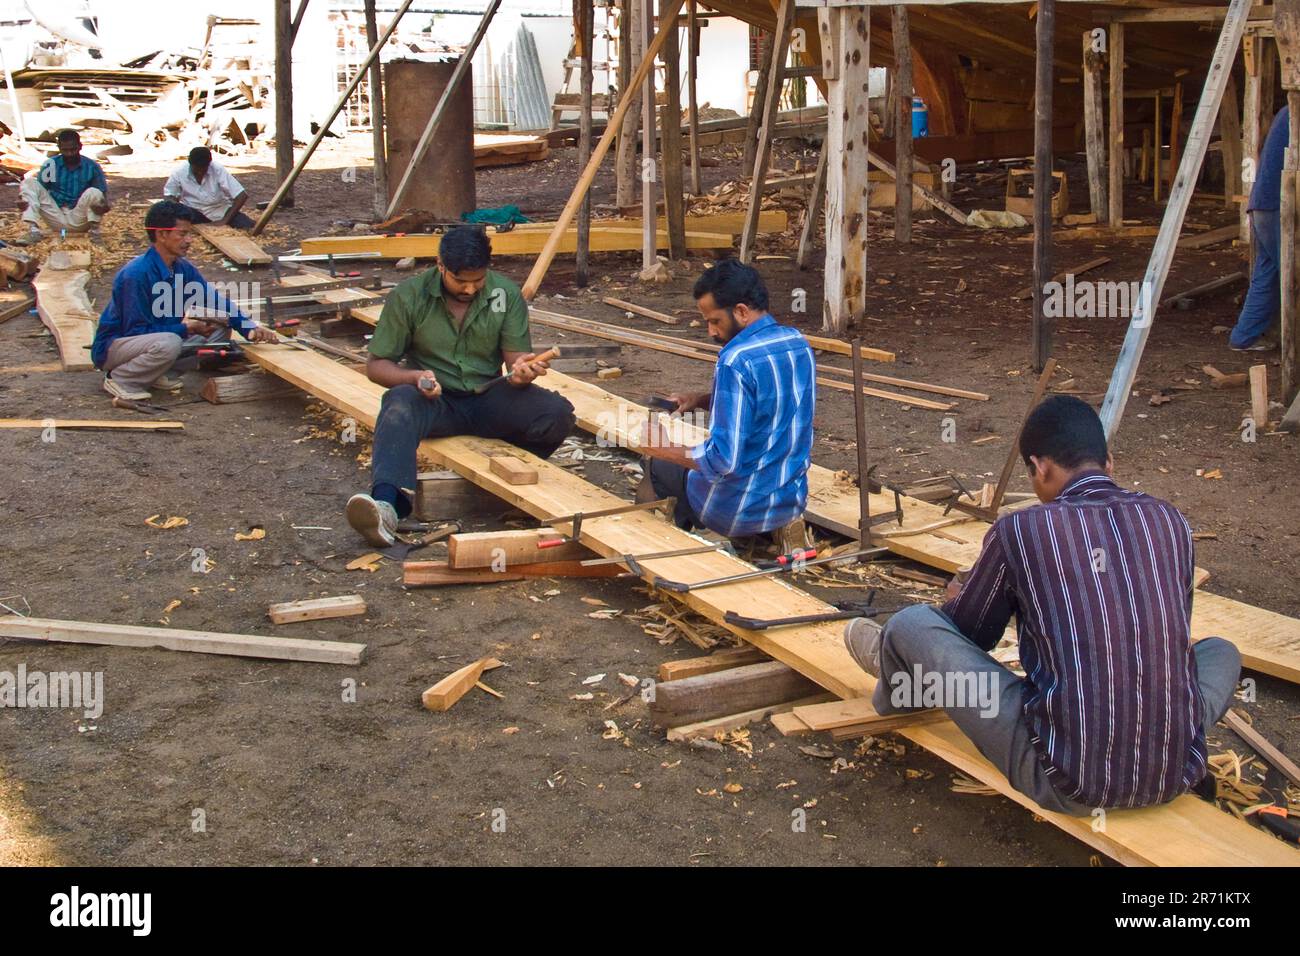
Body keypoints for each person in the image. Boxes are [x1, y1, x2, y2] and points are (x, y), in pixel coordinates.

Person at [843, 395, 1241, 815]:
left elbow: (972, 636)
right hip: (1174, 772)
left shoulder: (1020, 528)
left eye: (1032, 475)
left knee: (913, 624)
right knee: (1221, 652)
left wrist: (960, 599)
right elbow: (1173, 638)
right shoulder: (1170, 521)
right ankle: (1163, 744)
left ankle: (901, 690)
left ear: (1041, 467)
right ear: (1109, 462)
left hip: (1066, 780)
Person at [345, 225, 575, 547]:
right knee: (398, 404)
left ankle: (500, 486)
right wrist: (413, 378)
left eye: (477, 281)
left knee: (556, 412)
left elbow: (514, 361)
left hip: (488, 397)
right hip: (435, 402)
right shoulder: (409, 296)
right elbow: (376, 365)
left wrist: (523, 370)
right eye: (460, 281)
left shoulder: (505, 295)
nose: (469, 290)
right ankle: (386, 507)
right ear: (440, 265)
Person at [636, 259, 816, 538]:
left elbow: (723, 461)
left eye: (715, 321)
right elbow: (768, 405)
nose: (711, 332)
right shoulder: (797, 343)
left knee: (658, 465)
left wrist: (663, 449)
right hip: (789, 503)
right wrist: (701, 400)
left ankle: (651, 543)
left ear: (741, 311)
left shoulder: (735, 360)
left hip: (736, 512)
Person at [91, 201, 277, 401]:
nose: (189, 240)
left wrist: (248, 327)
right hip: (114, 347)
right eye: (182, 234)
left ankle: (157, 374)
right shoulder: (135, 275)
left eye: (190, 234)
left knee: (219, 329)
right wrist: (186, 329)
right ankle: (121, 379)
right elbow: (135, 331)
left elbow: (214, 301)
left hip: (154, 341)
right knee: (169, 342)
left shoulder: (183, 268)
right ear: (162, 234)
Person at [1230, 105, 1290, 351]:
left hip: (1261, 204)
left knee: (1268, 274)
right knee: (1291, 273)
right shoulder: (1295, 113)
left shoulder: (1286, 111)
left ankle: (1244, 338)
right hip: (1280, 205)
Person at [20, 129, 110, 241]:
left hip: (80, 218)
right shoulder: (51, 165)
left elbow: (103, 197)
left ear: (80, 146)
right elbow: (40, 190)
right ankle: (33, 231)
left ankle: (95, 232)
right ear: (59, 148)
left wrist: (102, 207)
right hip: (55, 216)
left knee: (95, 192)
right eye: (65, 150)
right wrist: (27, 201)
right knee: (29, 183)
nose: (70, 154)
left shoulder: (91, 166)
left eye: (73, 149)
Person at [163, 147, 253, 229]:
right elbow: (169, 196)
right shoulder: (179, 172)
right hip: (193, 211)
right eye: (196, 170)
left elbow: (241, 195)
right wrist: (177, 211)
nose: (200, 173)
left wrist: (224, 221)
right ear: (190, 164)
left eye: (203, 169)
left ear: (209, 164)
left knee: (247, 225)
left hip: (219, 209)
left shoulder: (217, 169)